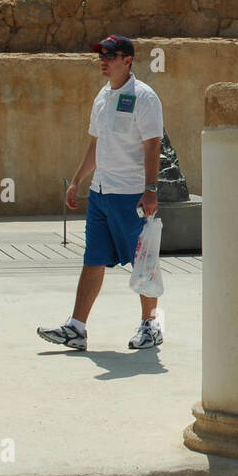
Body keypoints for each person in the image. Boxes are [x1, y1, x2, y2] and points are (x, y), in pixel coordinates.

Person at [38, 35, 165, 351]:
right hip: (100, 194)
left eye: (111, 55)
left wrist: (150, 190)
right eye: (101, 55)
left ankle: (151, 325)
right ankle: (76, 328)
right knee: (92, 259)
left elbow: (153, 145)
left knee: (142, 261)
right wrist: (77, 180)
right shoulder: (102, 97)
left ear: (128, 60)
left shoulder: (144, 97)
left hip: (130, 195)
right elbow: (96, 144)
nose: (103, 60)